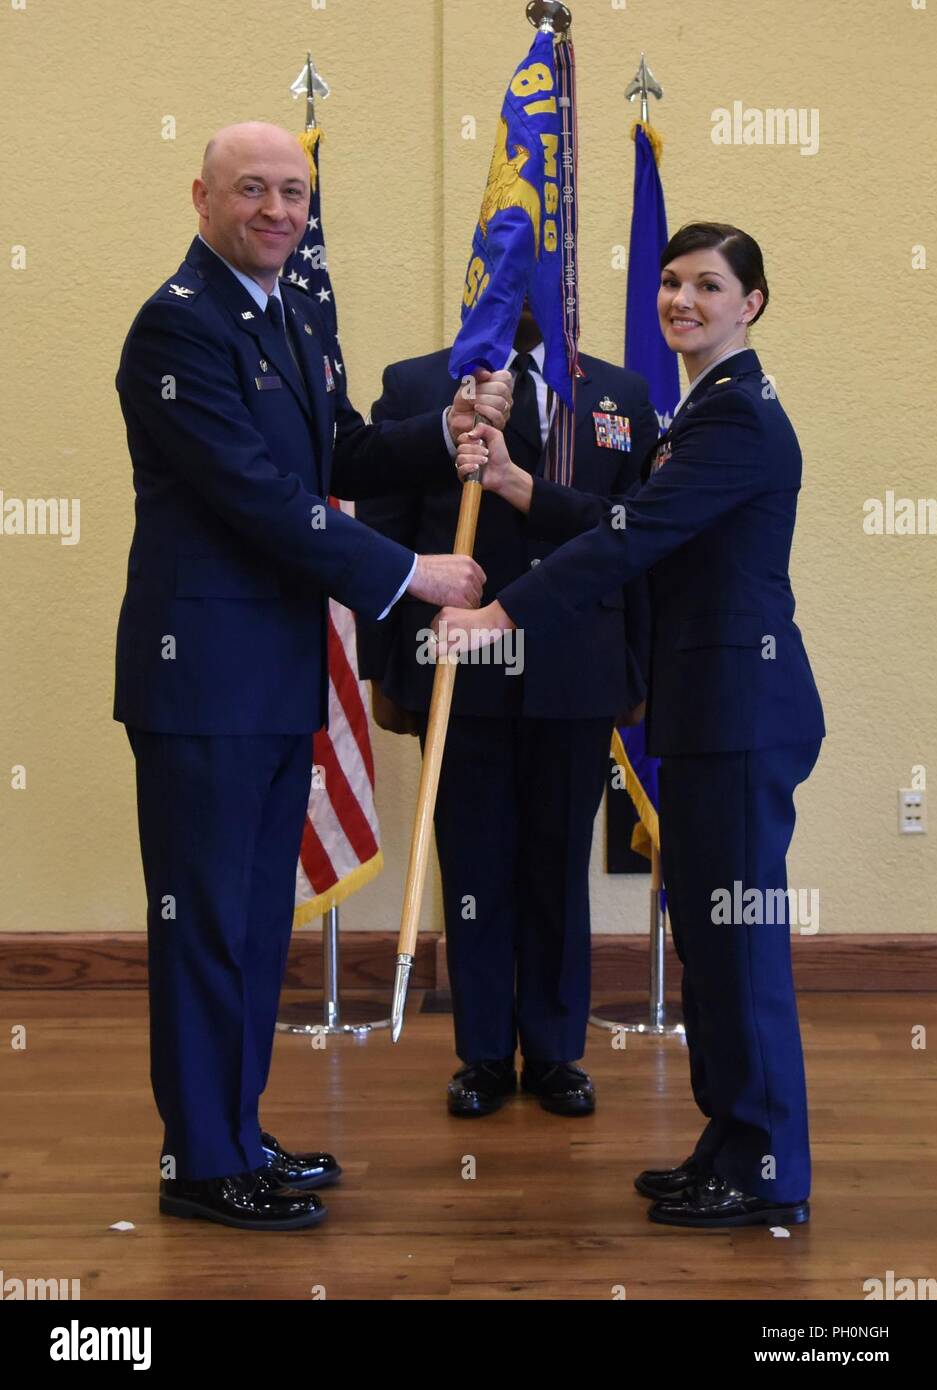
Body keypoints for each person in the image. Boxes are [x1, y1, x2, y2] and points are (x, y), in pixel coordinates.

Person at [114, 121, 512, 1231]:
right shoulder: (175, 329)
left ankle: (233, 1130)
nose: (279, 210)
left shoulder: (295, 312)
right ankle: (201, 1161)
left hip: (275, 672)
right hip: (202, 681)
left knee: (249, 923)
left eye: (294, 191)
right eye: (254, 190)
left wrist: (444, 431)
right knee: (205, 922)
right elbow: (257, 496)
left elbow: (335, 450)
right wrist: (412, 574)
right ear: (201, 196)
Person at [435, 223, 826, 1229]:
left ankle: (767, 1161)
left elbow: (637, 537)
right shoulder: (706, 410)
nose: (682, 300)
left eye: (708, 284)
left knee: (736, 943)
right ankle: (732, 1139)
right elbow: (636, 521)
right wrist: (525, 488)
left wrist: (499, 614)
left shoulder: (736, 417)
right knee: (706, 935)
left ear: (753, 303)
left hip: (740, 713)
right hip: (711, 712)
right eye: (669, 281)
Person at [356, 302, 658, 1117]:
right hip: (460, 666)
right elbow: (383, 529)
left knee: (557, 861)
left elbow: (635, 538)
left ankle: (555, 1051)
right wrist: (388, 672)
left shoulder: (619, 394)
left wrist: (636, 665)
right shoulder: (419, 384)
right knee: (475, 862)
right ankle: (484, 1051)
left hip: (575, 665)